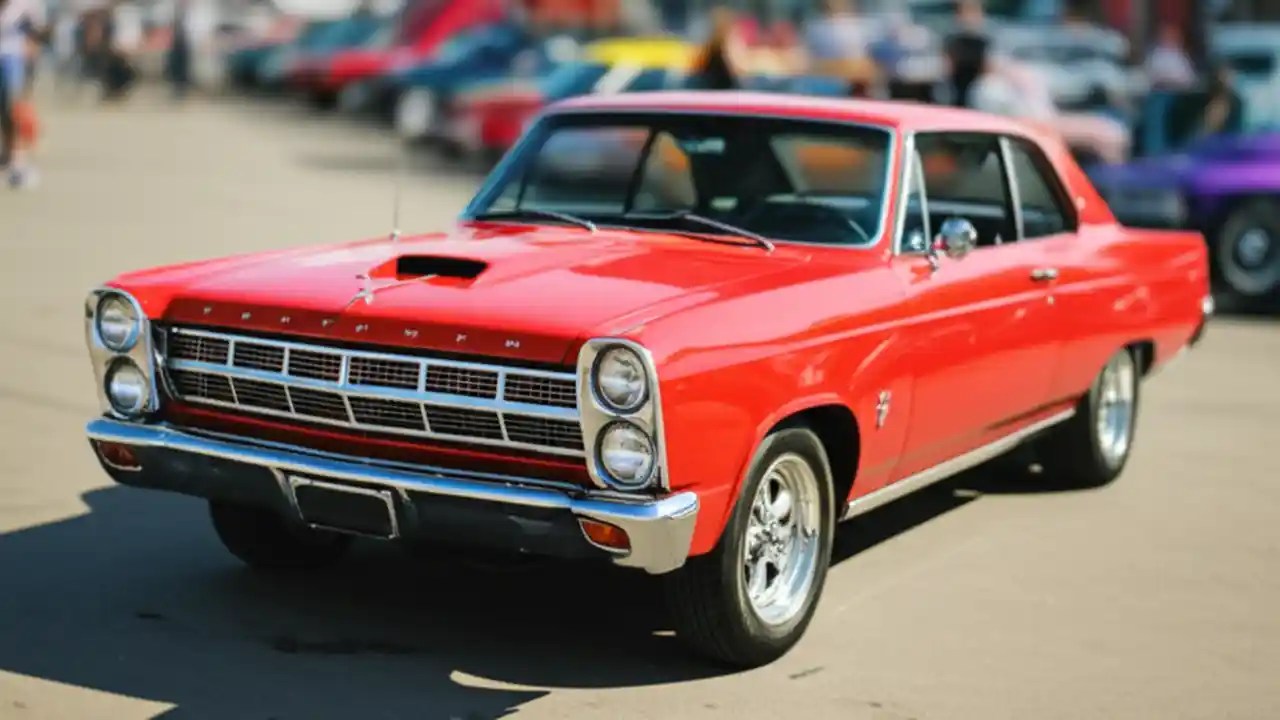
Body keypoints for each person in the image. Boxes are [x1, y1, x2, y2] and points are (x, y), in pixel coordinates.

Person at [0, 0, 47, 188]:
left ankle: (17, 160)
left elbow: (34, 37)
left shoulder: (25, 6)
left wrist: (30, 66)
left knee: (14, 110)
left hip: (13, 60)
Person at [942, 0, 990, 108]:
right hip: (955, 90)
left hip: (976, 91)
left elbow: (987, 68)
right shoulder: (952, 40)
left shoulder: (983, 41)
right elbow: (947, 68)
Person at [689, 6, 748, 91]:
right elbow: (740, 72)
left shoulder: (710, 49)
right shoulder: (725, 51)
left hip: (715, 92)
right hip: (723, 92)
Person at [1145, 23, 1196, 91]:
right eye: (1168, 35)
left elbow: (1190, 78)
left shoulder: (1180, 55)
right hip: (1162, 92)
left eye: (1174, 35)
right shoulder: (1157, 55)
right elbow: (1154, 76)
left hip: (1181, 92)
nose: (1171, 37)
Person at [166, 0, 192, 100]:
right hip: (175, 42)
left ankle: (181, 86)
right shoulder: (172, 9)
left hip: (185, 43)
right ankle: (177, 85)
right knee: (174, 60)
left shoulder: (191, 11)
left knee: (182, 61)